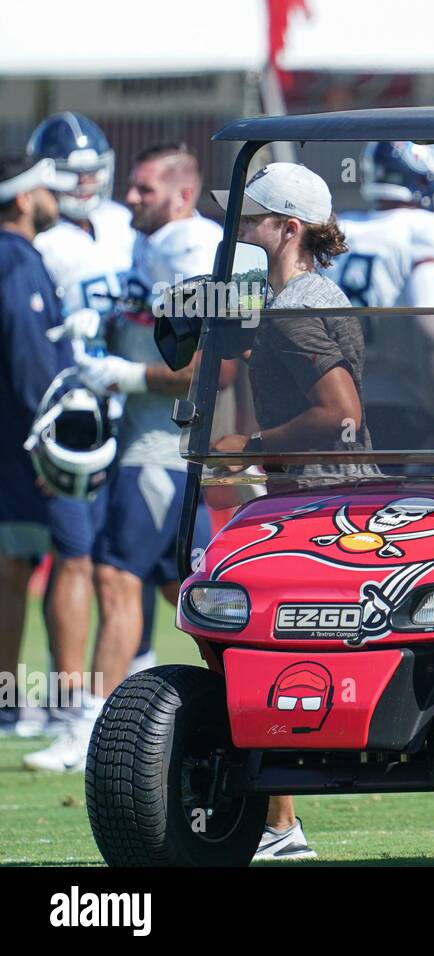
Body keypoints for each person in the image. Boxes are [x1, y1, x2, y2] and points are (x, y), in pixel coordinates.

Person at [23, 143, 221, 772]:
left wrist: (123, 375)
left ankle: (95, 730)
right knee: (190, 595)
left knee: (114, 576)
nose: (129, 198)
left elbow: (203, 370)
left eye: (144, 190)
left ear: (182, 196)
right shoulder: (151, 245)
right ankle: (241, 710)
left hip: (161, 447)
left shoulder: (193, 252)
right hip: (145, 445)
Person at [212, 161, 366, 860]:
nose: (241, 227)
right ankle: (278, 820)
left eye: (253, 218)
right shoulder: (309, 297)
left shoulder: (297, 307)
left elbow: (339, 413)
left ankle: (280, 824)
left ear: (289, 228)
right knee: (253, 643)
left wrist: (247, 444)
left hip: (313, 502)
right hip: (320, 497)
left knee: (244, 639)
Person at [24, 113, 140, 740]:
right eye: (73, 170)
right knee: (73, 556)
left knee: (125, 565)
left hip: (133, 413)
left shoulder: (126, 226)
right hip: (70, 421)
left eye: (94, 166)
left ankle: (126, 688)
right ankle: (70, 706)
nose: (88, 179)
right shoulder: (40, 244)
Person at [0, 154, 77, 736]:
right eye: (46, 188)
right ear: (24, 199)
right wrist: (50, 442)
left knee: (10, 566)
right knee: (73, 557)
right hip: (28, 446)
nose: (56, 196)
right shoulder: (19, 261)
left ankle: (9, 702)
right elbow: (31, 366)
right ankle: (66, 704)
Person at [325, 141, 434, 450]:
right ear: (423, 177)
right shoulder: (429, 230)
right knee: (419, 498)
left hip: (337, 403)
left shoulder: (342, 229)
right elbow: (432, 328)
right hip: (405, 407)